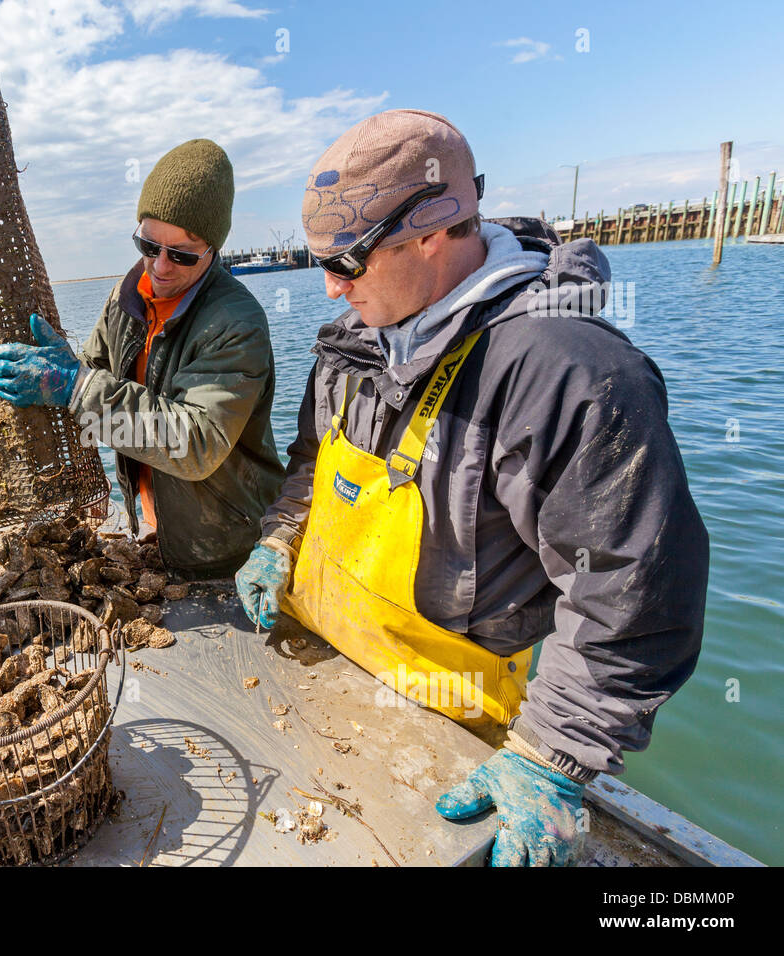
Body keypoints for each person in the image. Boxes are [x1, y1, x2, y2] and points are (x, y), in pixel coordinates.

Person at [234, 110, 708, 865]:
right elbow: (309, 464)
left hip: (457, 732)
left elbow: (636, 588)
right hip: (330, 679)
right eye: (316, 260)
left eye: (348, 262)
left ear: (430, 232)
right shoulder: (353, 342)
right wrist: (279, 539)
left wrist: (553, 752)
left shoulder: (570, 373)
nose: (328, 289)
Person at [0, 139, 284, 578]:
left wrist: (76, 386)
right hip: (155, 531)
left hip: (228, 549)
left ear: (212, 249)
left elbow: (196, 442)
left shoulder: (236, 322)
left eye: (181, 254)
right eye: (149, 245)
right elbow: (95, 376)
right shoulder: (128, 296)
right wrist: (63, 372)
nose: (160, 267)